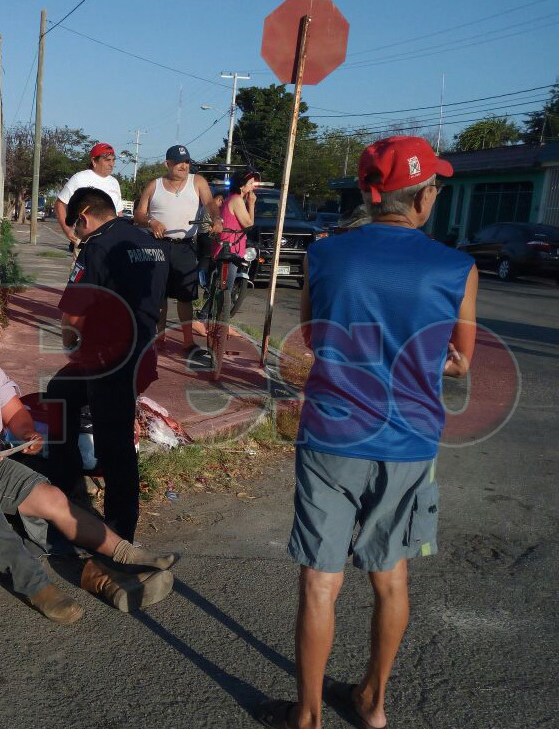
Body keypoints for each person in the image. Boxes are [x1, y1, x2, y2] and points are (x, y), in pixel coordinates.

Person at [256, 136, 479, 729]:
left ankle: (307, 715)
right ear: (425, 196)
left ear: (367, 192)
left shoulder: (324, 256)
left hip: (331, 435)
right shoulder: (458, 267)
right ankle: (372, 705)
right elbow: (459, 361)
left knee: (319, 581)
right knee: (390, 576)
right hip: (409, 441)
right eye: (434, 186)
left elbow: (310, 338)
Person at [0, 315, 177, 625]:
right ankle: (36, 586)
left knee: (50, 498)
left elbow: (14, 411)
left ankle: (126, 554)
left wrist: (26, 433)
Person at [46, 186, 170, 542]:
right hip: (142, 353)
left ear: (83, 217)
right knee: (60, 393)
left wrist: (73, 347)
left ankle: (119, 534)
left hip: (109, 360)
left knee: (114, 446)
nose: (77, 234)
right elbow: (161, 304)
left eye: (75, 227)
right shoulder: (149, 242)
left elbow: (71, 315)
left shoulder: (98, 246)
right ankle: (66, 487)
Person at [133, 144, 221, 359]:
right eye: (179, 162)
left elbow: (209, 202)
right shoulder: (154, 186)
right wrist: (152, 222)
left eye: (187, 162)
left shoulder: (197, 181)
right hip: (158, 245)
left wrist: (217, 218)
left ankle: (188, 343)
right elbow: (138, 215)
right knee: (158, 295)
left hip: (186, 245)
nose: (184, 166)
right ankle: (158, 338)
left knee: (185, 296)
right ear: (168, 164)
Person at [54, 142, 123, 253]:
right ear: (94, 161)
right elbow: (59, 204)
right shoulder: (80, 178)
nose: (111, 164)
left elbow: (119, 212)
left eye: (113, 160)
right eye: (107, 160)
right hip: (86, 240)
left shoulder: (114, 182)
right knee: (85, 270)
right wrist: (67, 230)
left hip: (109, 242)